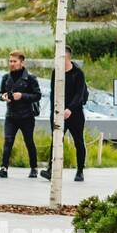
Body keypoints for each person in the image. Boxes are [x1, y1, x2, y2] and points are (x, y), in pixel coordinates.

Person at [40, 52, 89, 182]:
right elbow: (53, 93)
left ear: (67, 57)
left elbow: (79, 94)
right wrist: (53, 113)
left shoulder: (78, 73)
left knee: (78, 141)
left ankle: (80, 170)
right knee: (56, 141)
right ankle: (51, 169)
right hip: (59, 114)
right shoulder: (55, 72)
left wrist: (70, 109)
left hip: (75, 114)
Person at [0, 50, 41, 179]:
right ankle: (4, 168)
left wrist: (22, 96)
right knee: (8, 141)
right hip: (11, 116)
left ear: (22, 62)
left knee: (29, 142)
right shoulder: (6, 77)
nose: (12, 64)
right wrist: (2, 96)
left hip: (26, 116)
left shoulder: (31, 78)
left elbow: (38, 95)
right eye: (10, 61)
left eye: (15, 61)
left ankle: (34, 168)